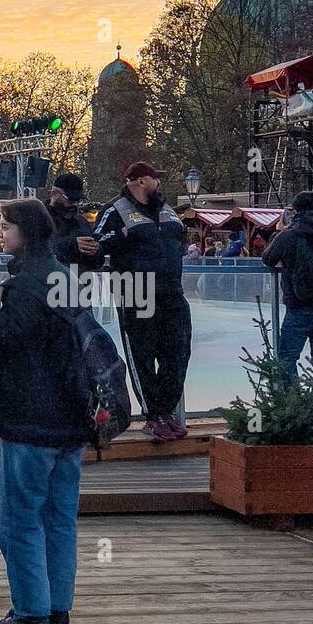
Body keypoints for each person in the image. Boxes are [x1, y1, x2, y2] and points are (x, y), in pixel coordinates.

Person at [0, 198, 90, 624]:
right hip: (72, 419)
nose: (1, 234)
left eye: (6, 227)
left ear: (26, 232)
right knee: (59, 518)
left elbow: (6, 342)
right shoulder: (67, 279)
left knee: (17, 520)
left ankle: (31, 613)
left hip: (30, 419)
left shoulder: (25, 285)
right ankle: (57, 608)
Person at [92, 160, 191, 442]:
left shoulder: (167, 211)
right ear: (139, 181)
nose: (159, 183)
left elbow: (178, 242)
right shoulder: (114, 211)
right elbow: (97, 246)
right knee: (142, 356)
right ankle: (153, 415)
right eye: (154, 178)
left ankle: (165, 410)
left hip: (172, 291)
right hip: (136, 292)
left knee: (178, 351)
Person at [262, 191, 313, 385]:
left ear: (295, 210)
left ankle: (293, 404)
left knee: (286, 359)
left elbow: (268, 259)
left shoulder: (289, 235)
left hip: (298, 307)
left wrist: (282, 229)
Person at [46, 173, 102, 272]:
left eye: (78, 200)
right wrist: (72, 245)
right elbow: (35, 251)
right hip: (49, 280)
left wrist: (95, 250)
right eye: (71, 199)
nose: (75, 203)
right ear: (55, 194)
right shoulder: (39, 219)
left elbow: (96, 262)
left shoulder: (81, 221)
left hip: (80, 281)